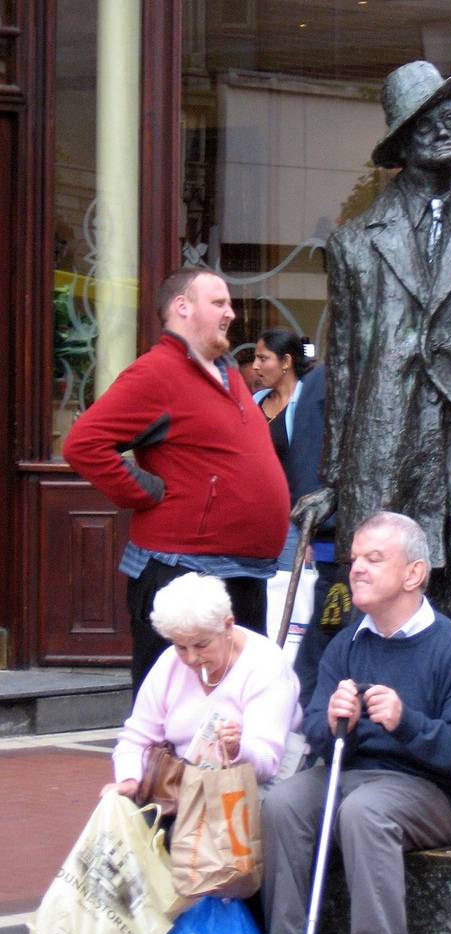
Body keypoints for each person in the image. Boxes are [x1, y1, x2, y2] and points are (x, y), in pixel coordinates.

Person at [292, 61, 451, 651]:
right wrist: (333, 476)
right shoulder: (355, 243)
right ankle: (390, 730)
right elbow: (347, 364)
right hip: (387, 441)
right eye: (430, 114)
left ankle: (450, 728)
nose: (449, 121)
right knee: (382, 599)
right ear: (402, 137)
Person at [236, 512, 451, 934]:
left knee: (364, 811)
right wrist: (337, 722)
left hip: (430, 789)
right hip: (351, 771)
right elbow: (314, 730)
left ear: (414, 574)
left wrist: (407, 721)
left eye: (375, 559)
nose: (357, 569)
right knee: (284, 801)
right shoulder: (348, 640)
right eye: (355, 559)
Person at [63, 267, 290, 696]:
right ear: (182, 307)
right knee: (170, 713)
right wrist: (144, 491)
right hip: (185, 573)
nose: (231, 313)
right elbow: (84, 444)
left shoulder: (224, 372)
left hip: (240, 573)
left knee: (233, 709)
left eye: (229, 303)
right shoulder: (157, 373)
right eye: (218, 303)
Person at [102, 572, 302, 800]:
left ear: (228, 626)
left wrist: (237, 750)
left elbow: (267, 763)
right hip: (180, 790)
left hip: (250, 795)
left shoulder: (265, 664)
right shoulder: (170, 661)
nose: (191, 658)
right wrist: (129, 779)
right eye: (181, 646)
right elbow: (137, 738)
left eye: (201, 645)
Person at [252, 328, 338, 703]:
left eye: (263, 358)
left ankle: (290, 687)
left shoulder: (307, 396)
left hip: (294, 517)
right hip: (260, 517)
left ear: (286, 362)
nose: (256, 367)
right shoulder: (255, 402)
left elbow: (307, 464)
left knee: (298, 598)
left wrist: (312, 528)